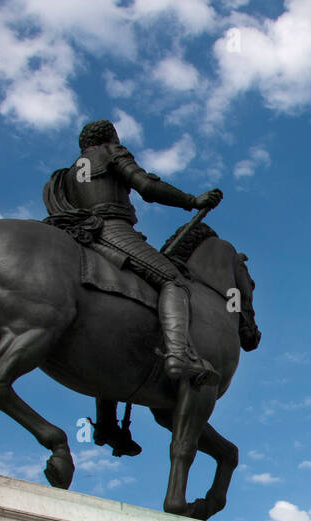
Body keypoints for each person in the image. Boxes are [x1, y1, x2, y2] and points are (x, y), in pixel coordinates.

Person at [43, 118, 223, 457]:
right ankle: (178, 355)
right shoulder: (111, 153)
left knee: (108, 316)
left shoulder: (67, 174)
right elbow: (147, 187)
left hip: (81, 237)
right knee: (172, 280)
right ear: (110, 137)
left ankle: (108, 423)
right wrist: (192, 201)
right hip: (111, 230)